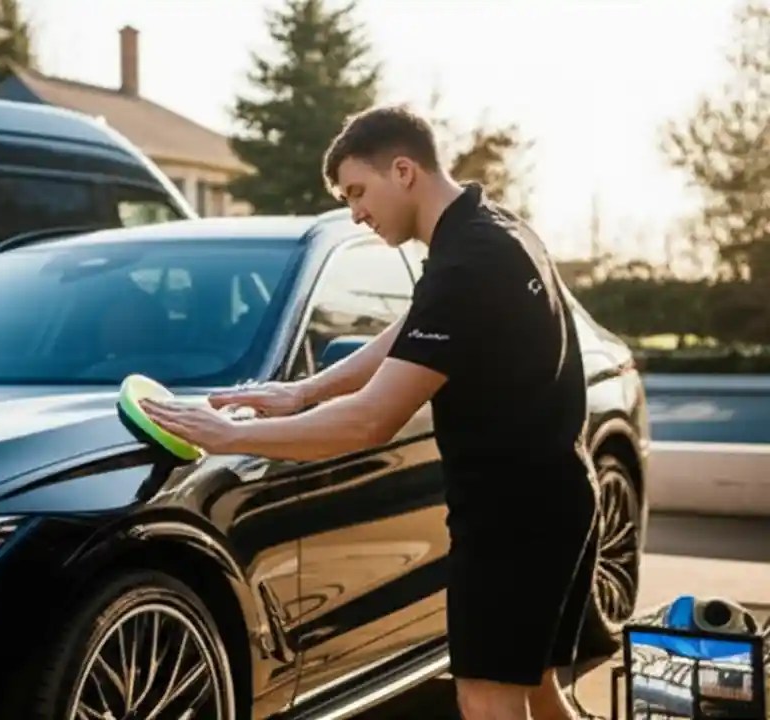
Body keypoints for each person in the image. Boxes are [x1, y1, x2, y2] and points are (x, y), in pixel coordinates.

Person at [141, 105, 600, 720]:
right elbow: (416, 326)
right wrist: (306, 392)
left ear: (404, 170)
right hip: (559, 499)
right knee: (539, 693)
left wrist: (229, 437)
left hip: (512, 524)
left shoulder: (467, 263)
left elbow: (369, 422)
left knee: (487, 698)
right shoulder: (492, 230)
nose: (356, 211)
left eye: (358, 191)